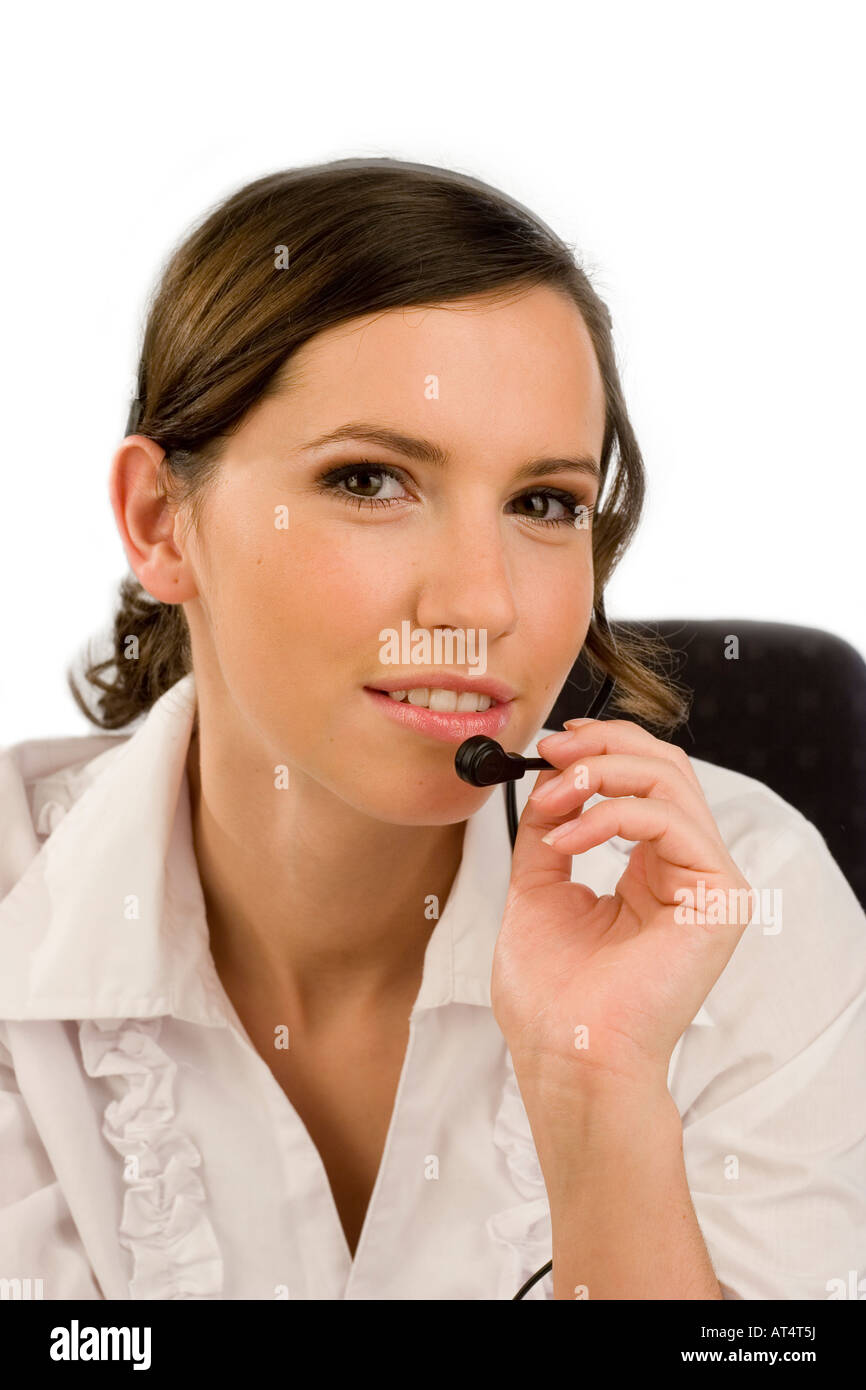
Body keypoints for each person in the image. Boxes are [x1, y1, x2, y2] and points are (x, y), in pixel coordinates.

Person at [1, 158, 864, 1302]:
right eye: (369, 479)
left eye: (542, 503)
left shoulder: (737, 904)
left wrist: (598, 1093)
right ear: (162, 522)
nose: (482, 604)